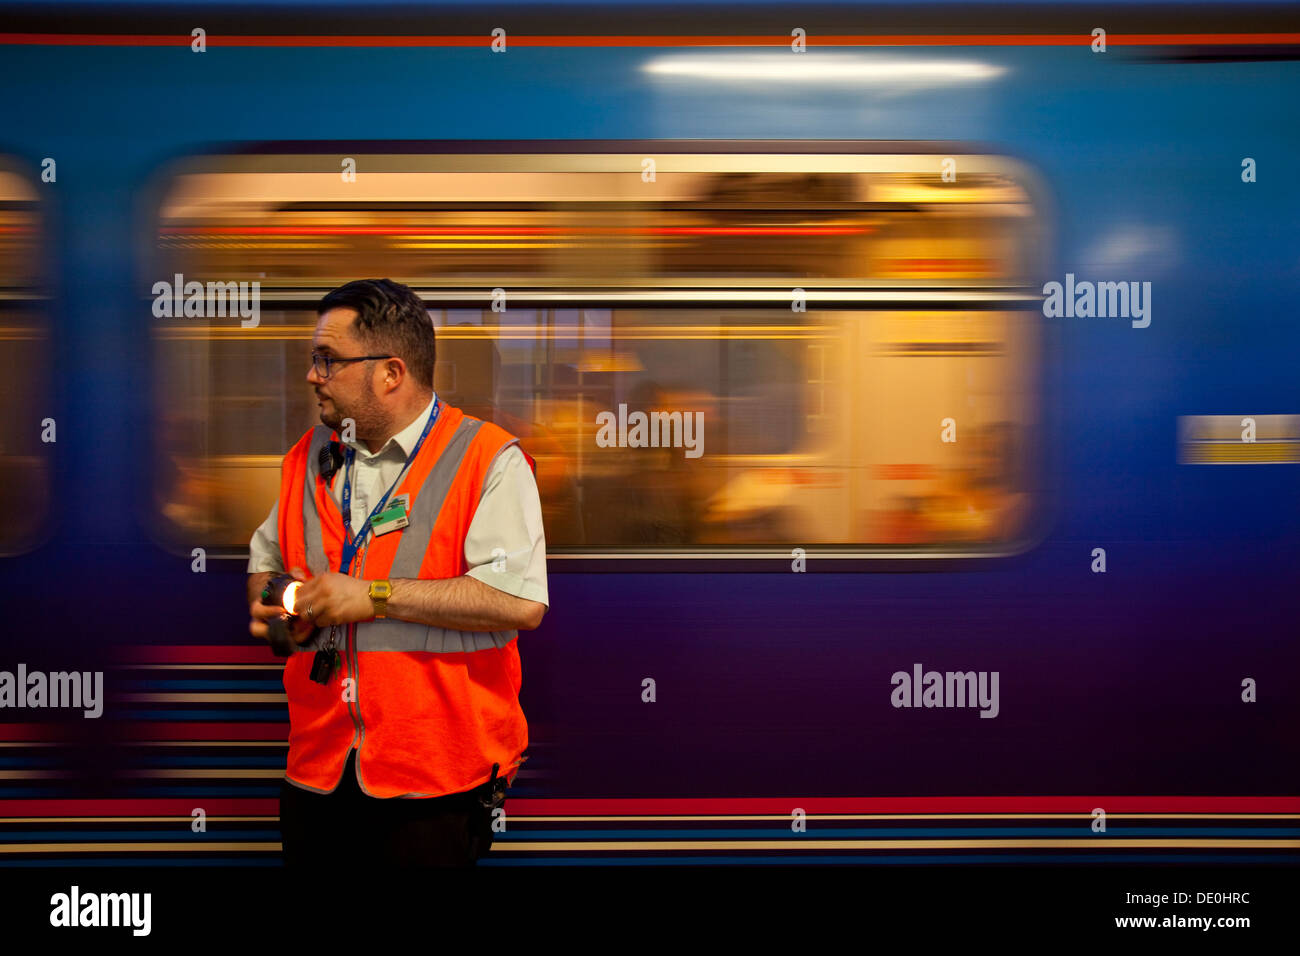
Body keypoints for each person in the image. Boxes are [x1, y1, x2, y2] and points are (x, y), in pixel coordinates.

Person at [245, 278, 549, 867]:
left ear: (390, 372)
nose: (313, 375)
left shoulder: (487, 458)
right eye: (315, 360)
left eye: (327, 360)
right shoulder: (305, 457)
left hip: (435, 781)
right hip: (319, 774)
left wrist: (374, 597)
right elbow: (267, 570)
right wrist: (278, 604)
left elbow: (518, 602)